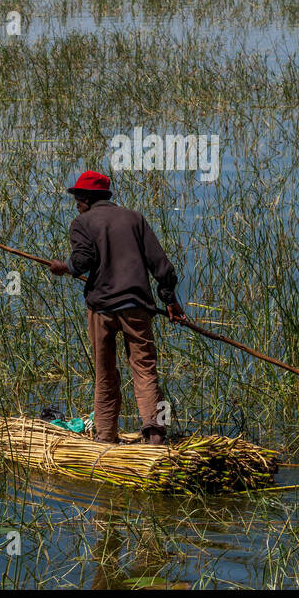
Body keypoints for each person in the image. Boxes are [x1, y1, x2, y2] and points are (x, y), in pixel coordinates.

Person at [49, 170, 185, 445]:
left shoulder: (83, 222)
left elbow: (82, 261)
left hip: (102, 309)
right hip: (137, 306)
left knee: (105, 373)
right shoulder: (135, 218)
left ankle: (106, 438)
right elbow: (161, 265)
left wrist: (64, 267)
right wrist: (169, 301)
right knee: (145, 370)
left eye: (77, 197)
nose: (76, 202)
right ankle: (156, 435)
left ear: (87, 197)